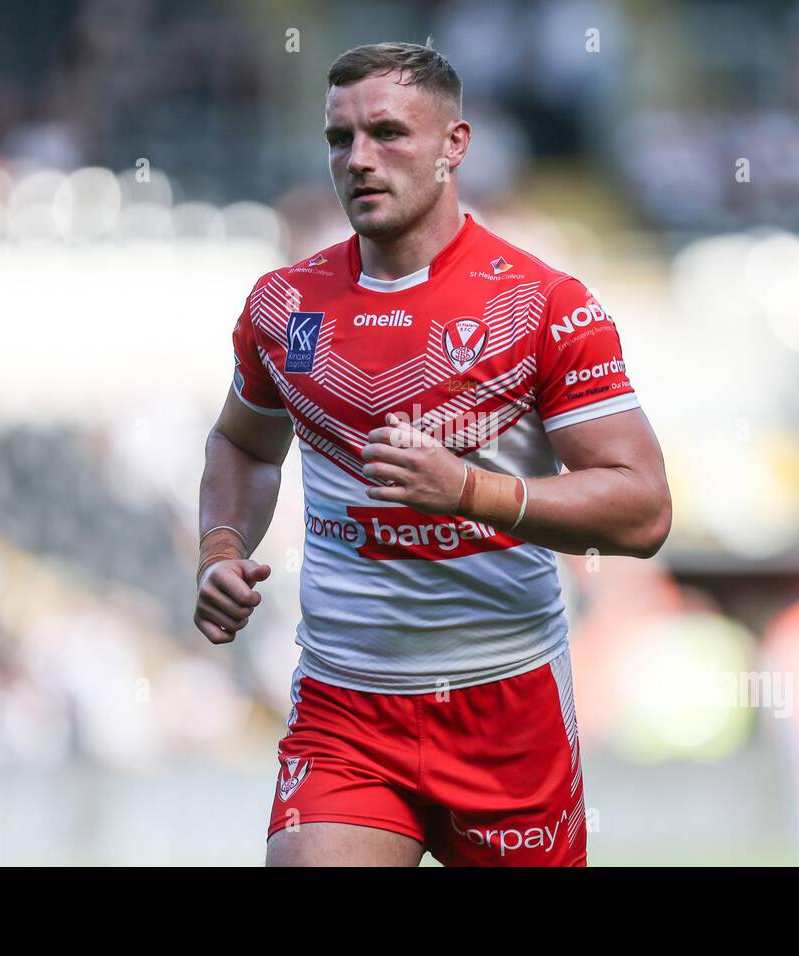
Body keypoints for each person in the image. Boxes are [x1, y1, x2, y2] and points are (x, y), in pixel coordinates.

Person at [195, 41, 671, 866]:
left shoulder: (543, 304)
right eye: (340, 139)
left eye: (388, 133)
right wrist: (222, 548)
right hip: (347, 705)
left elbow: (643, 508)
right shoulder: (284, 305)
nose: (360, 159)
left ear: (456, 145)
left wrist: (470, 492)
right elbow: (243, 442)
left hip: (505, 706)